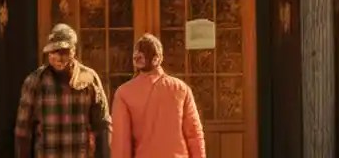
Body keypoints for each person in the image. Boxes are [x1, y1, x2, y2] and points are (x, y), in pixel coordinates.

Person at [14, 23, 112, 158]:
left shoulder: (89, 79)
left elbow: (102, 125)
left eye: (64, 52)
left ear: (73, 51)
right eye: (54, 52)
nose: (59, 57)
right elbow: (23, 131)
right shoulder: (35, 82)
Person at [110, 33, 205, 158]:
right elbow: (194, 135)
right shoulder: (181, 89)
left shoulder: (124, 93)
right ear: (158, 59)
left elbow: (121, 144)